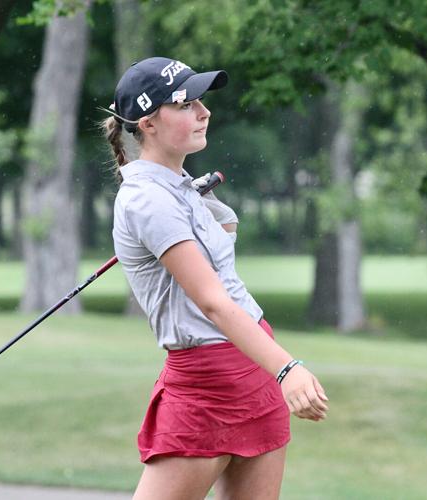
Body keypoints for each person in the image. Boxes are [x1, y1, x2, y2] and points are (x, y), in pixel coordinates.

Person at [101, 57, 329, 500]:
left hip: (252, 364)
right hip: (211, 383)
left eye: (201, 101)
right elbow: (212, 302)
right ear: (148, 123)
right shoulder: (147, 199)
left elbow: (222, 283)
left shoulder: (179, 186)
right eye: (186, 104)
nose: (204, 112)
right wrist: (287, 368)